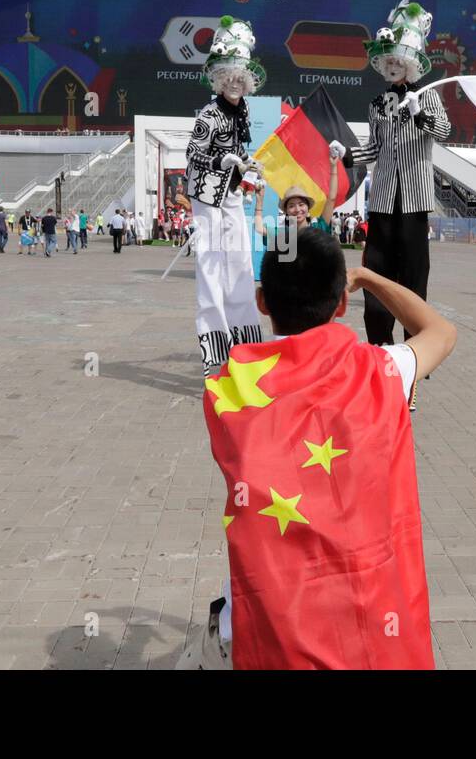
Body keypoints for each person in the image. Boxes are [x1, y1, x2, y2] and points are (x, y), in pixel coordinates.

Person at [183, 229, 457, 670]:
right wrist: (369, 277)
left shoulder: (228, 390)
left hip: (265, 629)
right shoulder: (382, 370)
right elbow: (440, 332)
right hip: (367, 624)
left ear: (262, 302)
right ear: (342, 304)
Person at [334, 0, 450, 359]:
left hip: (415, 203)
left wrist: (420, 115)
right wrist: (348, 154)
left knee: (414, 279)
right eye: (388, 62)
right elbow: (376, 149)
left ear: (412, 64)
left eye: (399, 61)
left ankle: (417, 354)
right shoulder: (376, 104)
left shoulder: (427, 97)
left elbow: (444, 131)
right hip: (383, 202)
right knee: (377, 275)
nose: (393, 66)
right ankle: (380, 351)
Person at [185, 16, 266, 376]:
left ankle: (246, 347)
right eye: (229, 77)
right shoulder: (209, 113)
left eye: (240, 78)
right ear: (219, 79)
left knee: (241, 265)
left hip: (231, 194)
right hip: (205, 196)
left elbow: (236, 152)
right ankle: (216, 354)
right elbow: (192, 153)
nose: (234, 84)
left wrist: (248, 165)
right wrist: (223, 159)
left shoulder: (241, 111)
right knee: (210, 266)